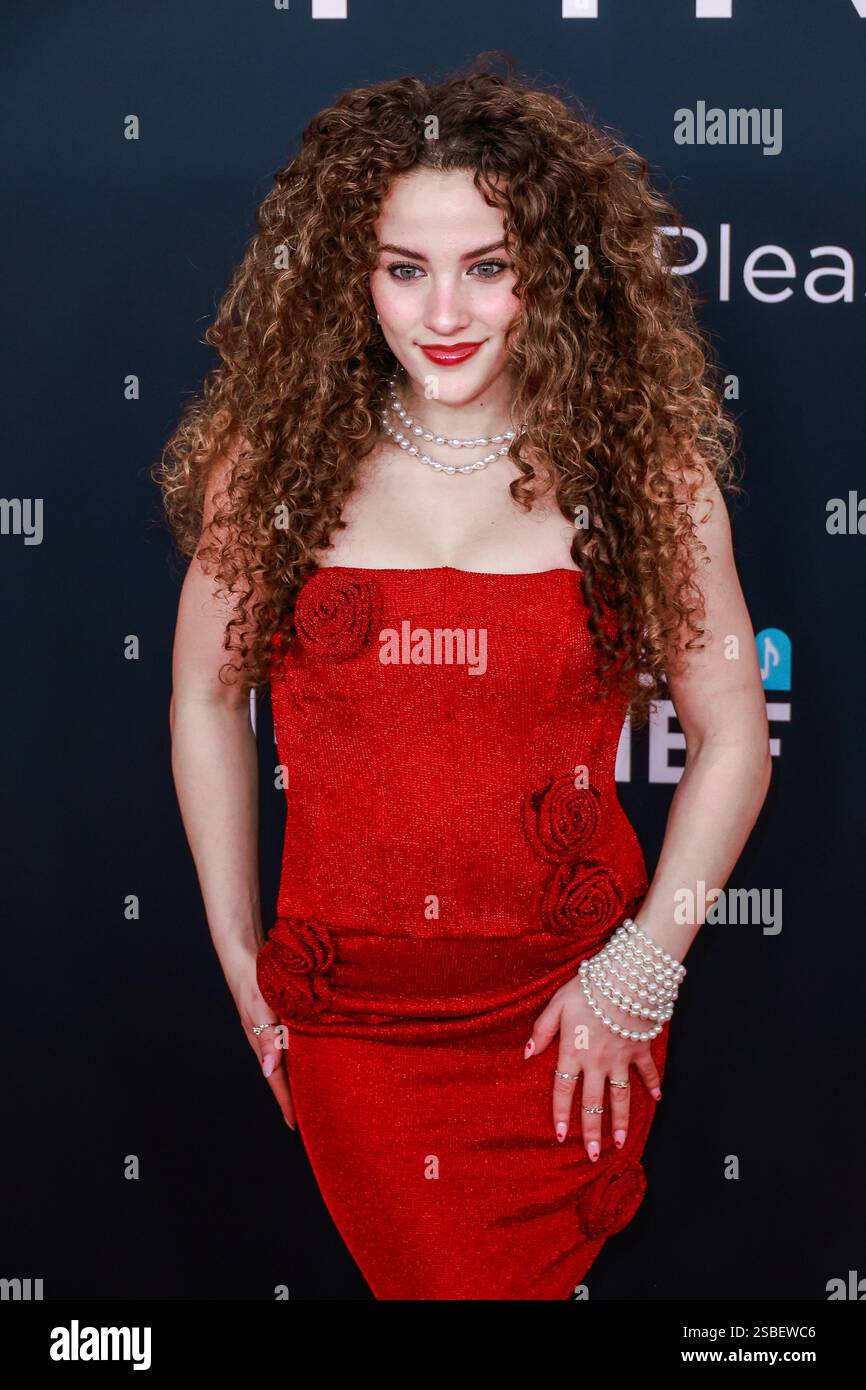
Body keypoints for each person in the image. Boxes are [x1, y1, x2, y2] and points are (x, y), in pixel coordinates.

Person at [154, 62, 772, 1300]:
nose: (444, 310)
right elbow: (206, 700)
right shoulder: (267, 461)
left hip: (570, 1009)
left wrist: (639, 969)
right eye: (403, 267)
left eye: (488, 265)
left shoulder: (641, 469)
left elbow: (732, 738)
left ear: (551, 265)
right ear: (351, 273)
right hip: (356, 1021)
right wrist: (239, 961)